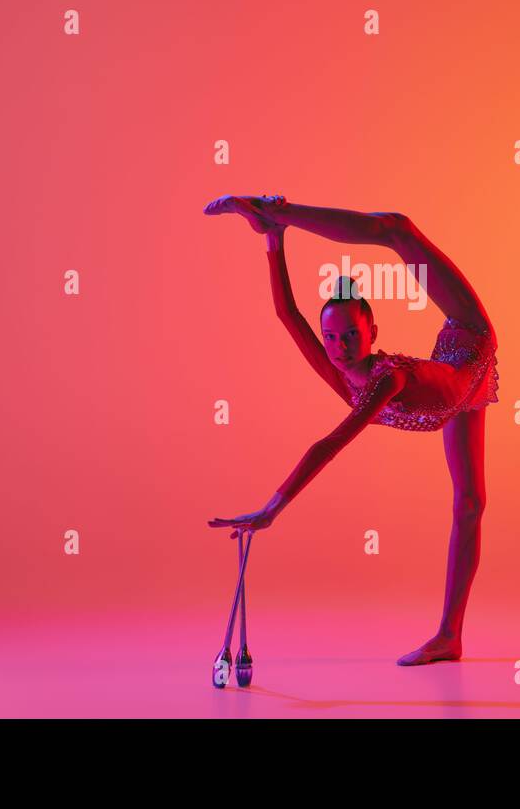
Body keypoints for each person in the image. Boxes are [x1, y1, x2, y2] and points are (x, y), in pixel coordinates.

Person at [204, 195, 499, 665]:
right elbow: (288, 317)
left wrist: (273, 506)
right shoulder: (337, 372)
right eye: (332, 338)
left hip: (470, 337)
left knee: (400, 228)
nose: (339, 348)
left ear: (373, 333)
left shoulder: (387, 379)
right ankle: (451, 637)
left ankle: (274, 208)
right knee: (469, 504)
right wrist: (274, 247)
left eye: (351, 336)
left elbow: (332, 442)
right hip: (458, 393)